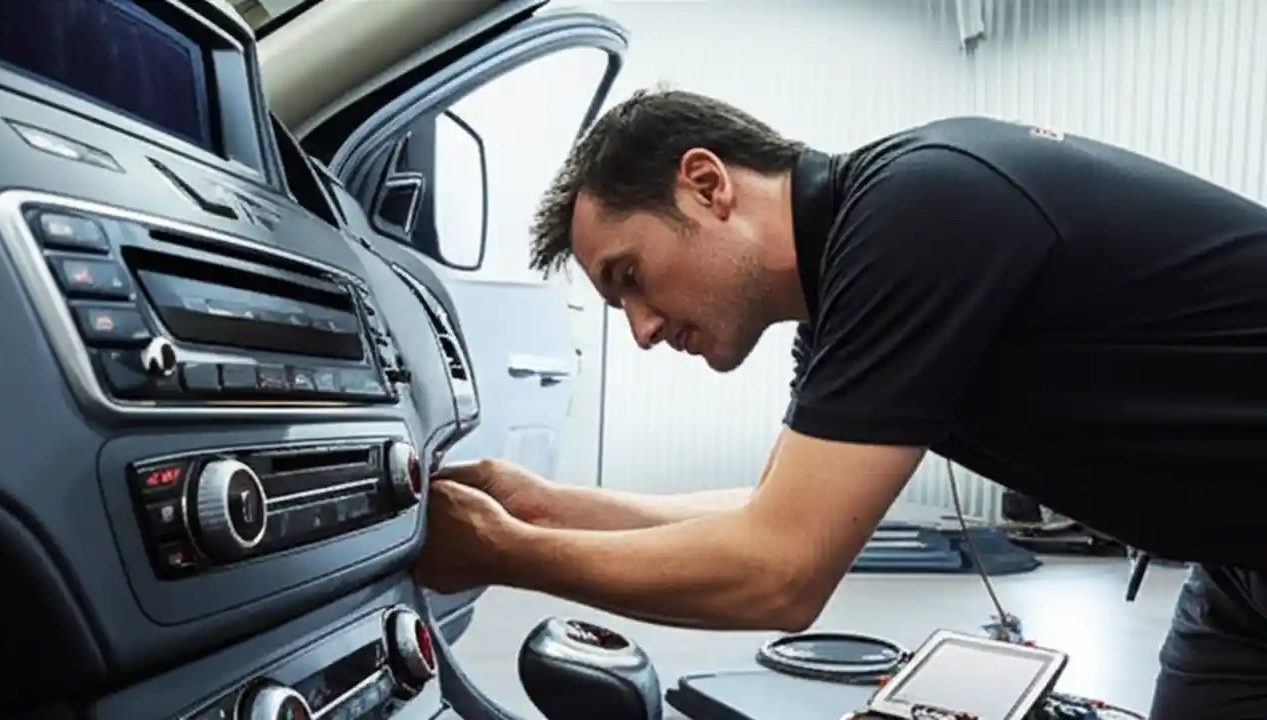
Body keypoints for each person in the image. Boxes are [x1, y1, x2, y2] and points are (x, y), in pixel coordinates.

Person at [414, 87, 1267, 718]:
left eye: (629, 278)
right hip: (1236, 570)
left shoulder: (922, 210)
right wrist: (550, 508)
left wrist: (503, 552)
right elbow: (774, 512)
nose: (639, 329)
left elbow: (779, 573)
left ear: (707, 185)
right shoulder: (849, 280)